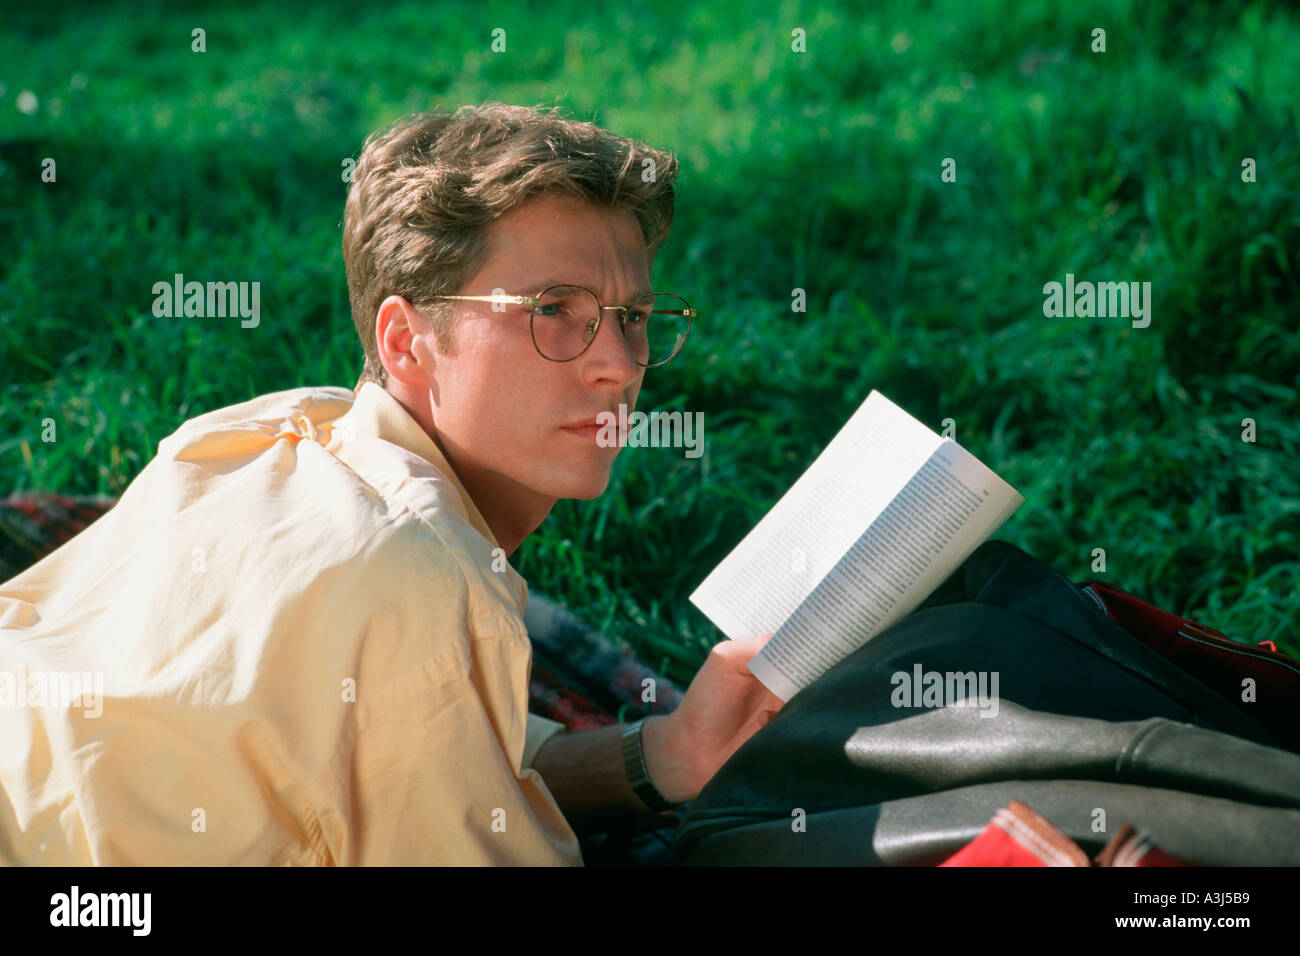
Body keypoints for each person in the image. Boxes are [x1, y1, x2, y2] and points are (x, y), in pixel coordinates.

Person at [0, 102, 784, 865]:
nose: (618, 362)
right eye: (552, 309)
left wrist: (671, 754)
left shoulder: (274, 428)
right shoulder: (413, 575)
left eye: (634, 315)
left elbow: (460, 759)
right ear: (407, 341)